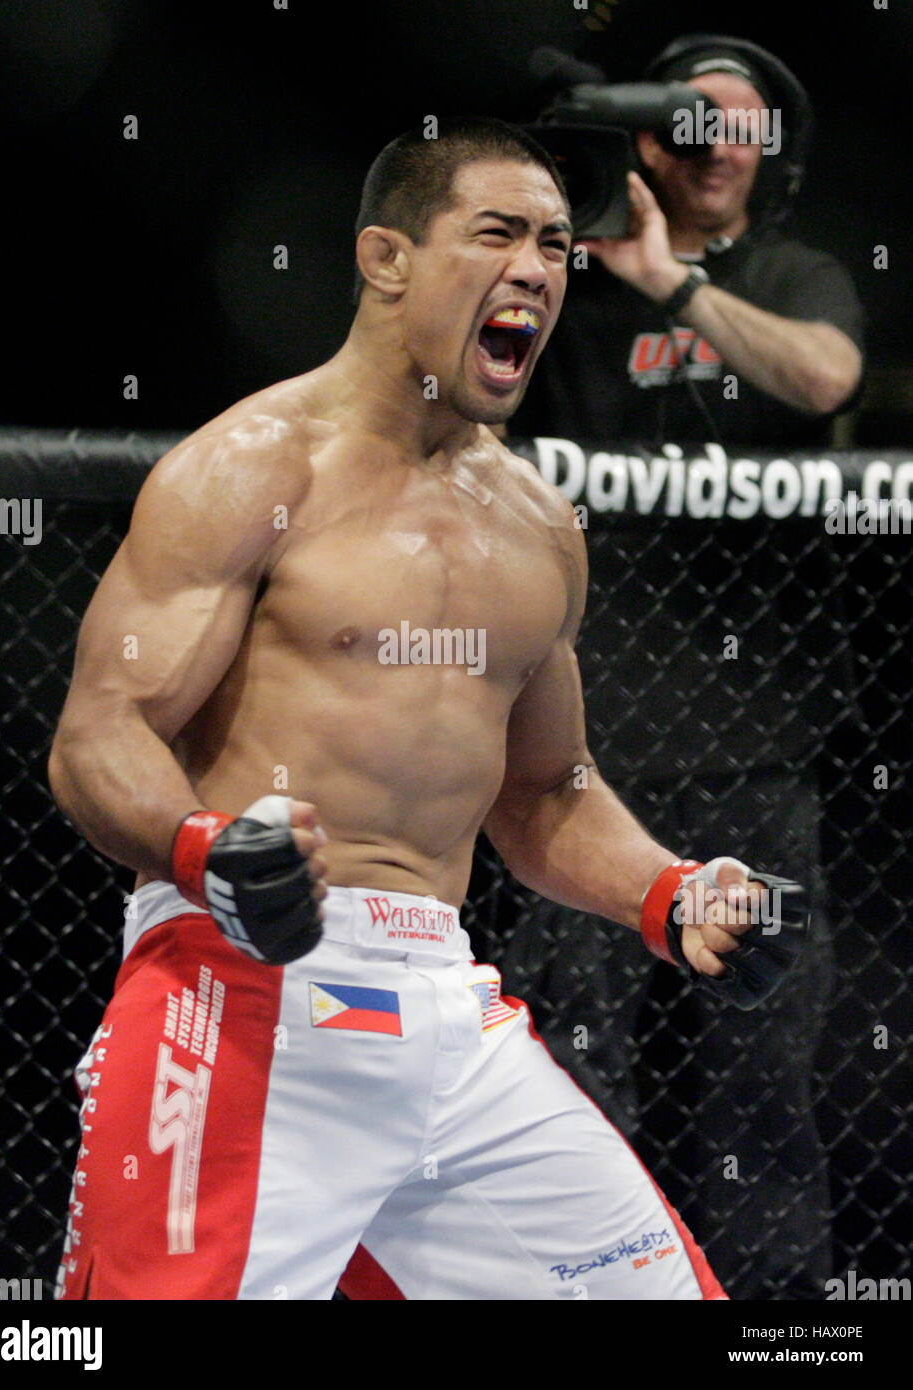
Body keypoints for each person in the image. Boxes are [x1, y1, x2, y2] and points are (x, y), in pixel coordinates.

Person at [47, 116, 806, 1301]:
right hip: (246, 985)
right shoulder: (254, 468)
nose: (535, 269)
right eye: (496, 233)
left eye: (556, 244)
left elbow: (546, 790)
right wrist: (204, 851)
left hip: (443, 1011)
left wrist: (670, 890)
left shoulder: (537, 524)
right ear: (385, 258)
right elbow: (100, 730)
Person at [506, 36, 864, 1298]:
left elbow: (825, 376)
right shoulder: (560, 283)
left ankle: (768, 1327)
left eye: (740, 122)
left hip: (751, 761)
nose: (713, 138)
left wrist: (671, 286)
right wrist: (564, 217)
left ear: (775, 155)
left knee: (756, 1099)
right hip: (573, 769)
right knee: (559, 1086)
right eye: (684, 116)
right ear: (644, 139)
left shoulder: (791, 277)